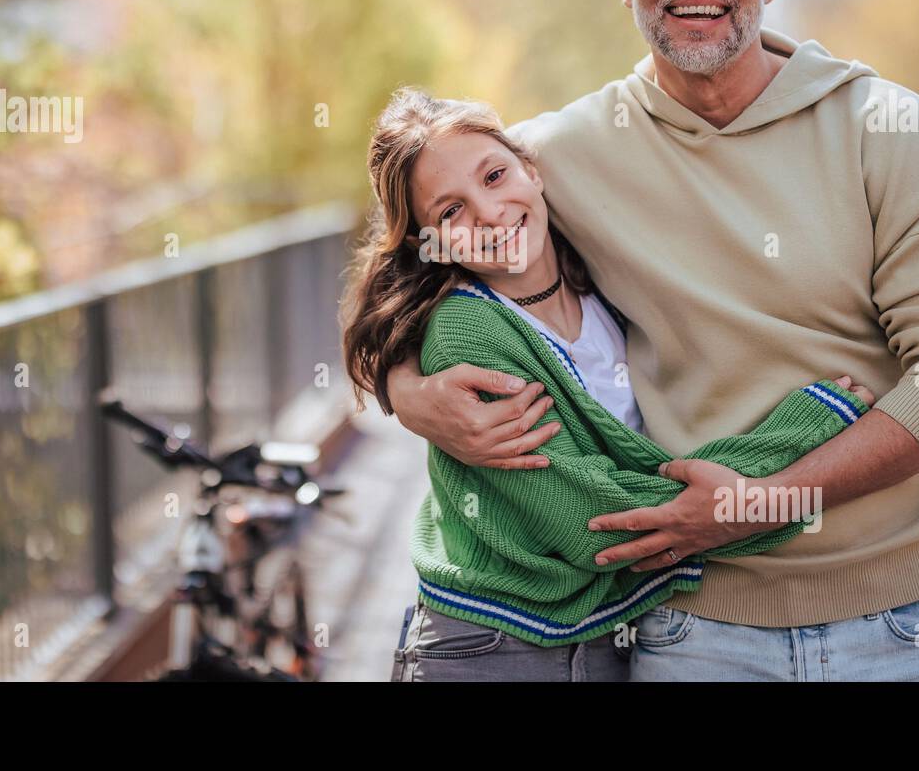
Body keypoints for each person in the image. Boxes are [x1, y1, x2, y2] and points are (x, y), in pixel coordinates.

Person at [379, 0, 919, 681]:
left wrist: (759, 505)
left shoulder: (885, 132)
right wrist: (409, 391)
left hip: (904, 624)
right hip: (690, 631)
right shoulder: (554, 158)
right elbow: (410, 246)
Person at [340, 87, 875, 681]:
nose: (489, 213)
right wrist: (804, 431)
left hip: (611, 637)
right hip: (493, 647)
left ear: (532, 170)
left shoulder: (604, 285)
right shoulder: (468, 333)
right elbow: (590, 518)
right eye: (450, 212)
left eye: (494, 176)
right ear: (429, 244)